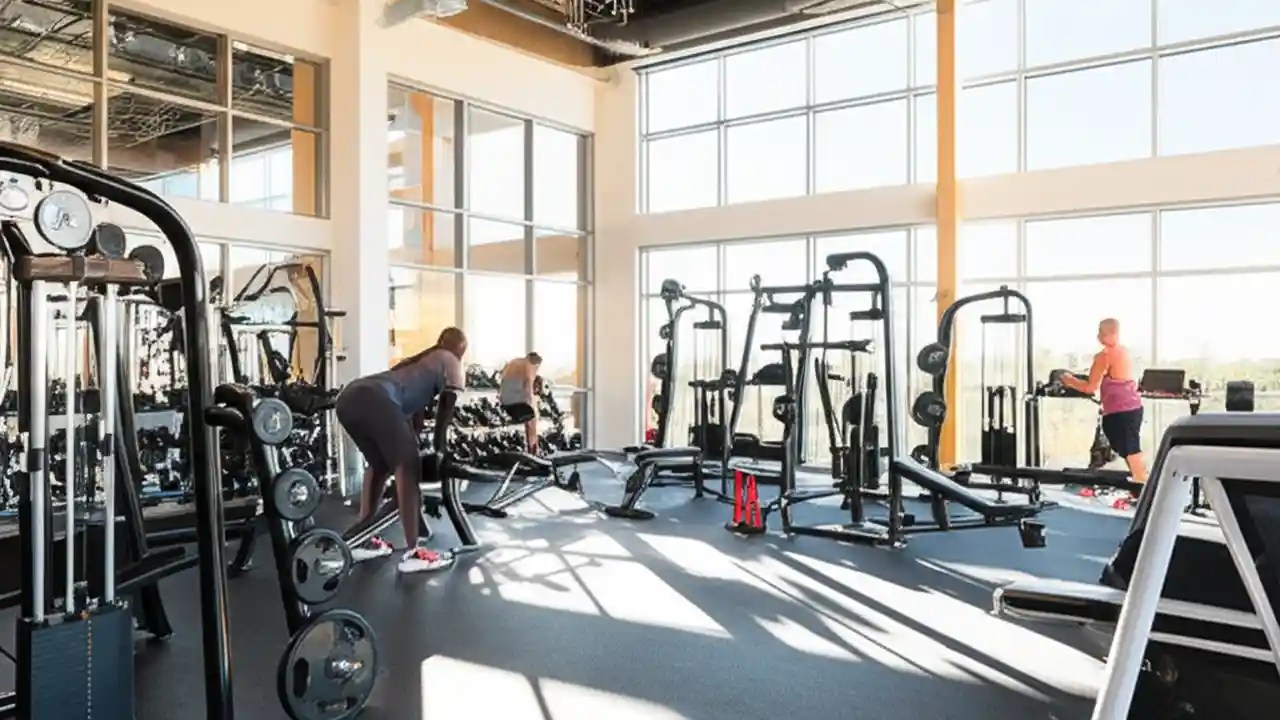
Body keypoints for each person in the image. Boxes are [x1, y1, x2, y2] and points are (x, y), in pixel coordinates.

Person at [335, 327, 468, 573]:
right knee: (408, 466)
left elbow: (407, 414)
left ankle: (363, 538)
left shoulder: (417, 362)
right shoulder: (451, 361)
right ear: (460, 348)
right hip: (377, 399)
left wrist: (413, 441)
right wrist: (440, 446)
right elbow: (447, 405)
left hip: (349, 398)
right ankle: (414, 551)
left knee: (380, 465)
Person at [1060, 318, 1148, 484]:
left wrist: (1069, 380)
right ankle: (1140, 483)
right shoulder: (1123, 351)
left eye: (1101, 332)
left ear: (1111, 333)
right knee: (1129, 449)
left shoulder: (1104, 356)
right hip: (1133, 407)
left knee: (1130, 449)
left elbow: (1090, 387)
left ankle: (1143, 486)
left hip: (1121, 410)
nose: (1098, 336)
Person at [499, 352, 543, 454]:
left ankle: (531, 448)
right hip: (517, 404)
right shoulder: (529, 366)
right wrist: (534, 409)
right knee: (532, 419)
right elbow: (528, 391)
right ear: (536, 364)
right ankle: (533, 450)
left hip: (505, 403)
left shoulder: (514, 362)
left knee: (529, 414)